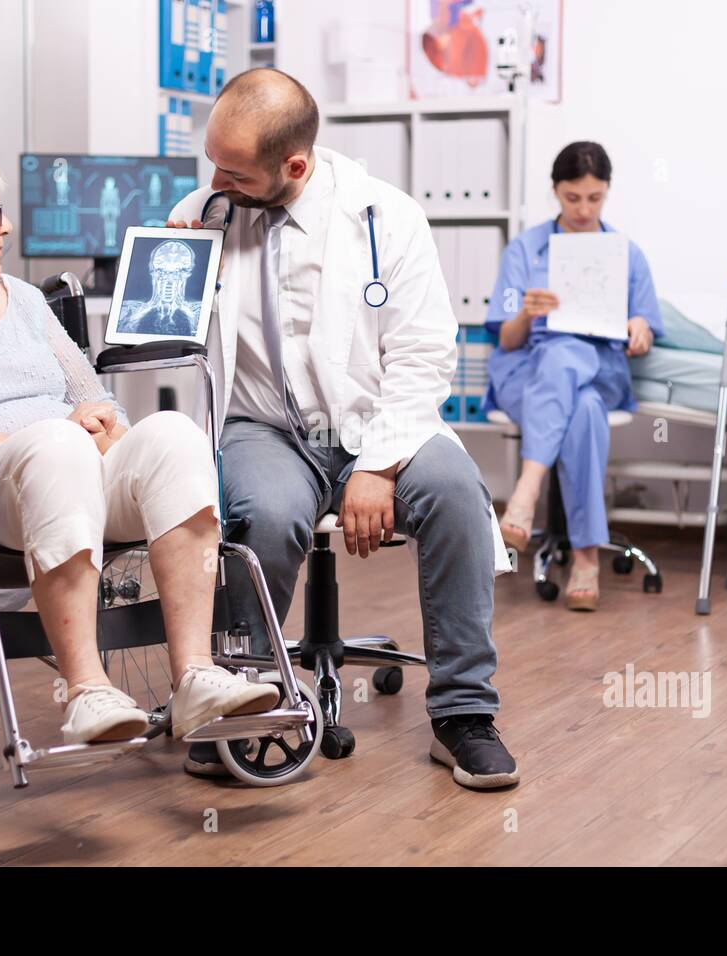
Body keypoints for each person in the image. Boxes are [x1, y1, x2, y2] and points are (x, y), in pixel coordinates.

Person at [0, 145, 279, 749]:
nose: (7, 226)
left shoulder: (23, 299)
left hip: (70, 464)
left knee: (173, 434)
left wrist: (113, 430)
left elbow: (92, 397)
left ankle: (196, 676)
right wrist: (59, 435)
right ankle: (86, 690)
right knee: (55, 445)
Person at [168, 68, 519, 790]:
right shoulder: (206, 211)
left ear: (293, 165)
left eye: (232, 170)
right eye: (213, 162)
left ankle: (463, 716)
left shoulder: (386, 218)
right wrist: (172, 266)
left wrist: (375, 467)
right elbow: (163, 334)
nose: (214, 178)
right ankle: (245, 704)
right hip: (264, 427)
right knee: (261, 513)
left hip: (378, 424)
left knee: (456, 496)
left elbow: (424, 358)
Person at [485, 142, 662, 611]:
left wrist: (639, 328)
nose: (584, 209)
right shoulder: (524, 249)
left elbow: (643, 329)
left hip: (600, 365)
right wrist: (525, 313)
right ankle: (586, 558)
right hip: (528, 370)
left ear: (607, 193)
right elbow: (505, 339)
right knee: (580, 405)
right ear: (555, 193)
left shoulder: (628, 254)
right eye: (572, 198)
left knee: (568, 356)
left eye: (594, 198)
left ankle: (526, 491)